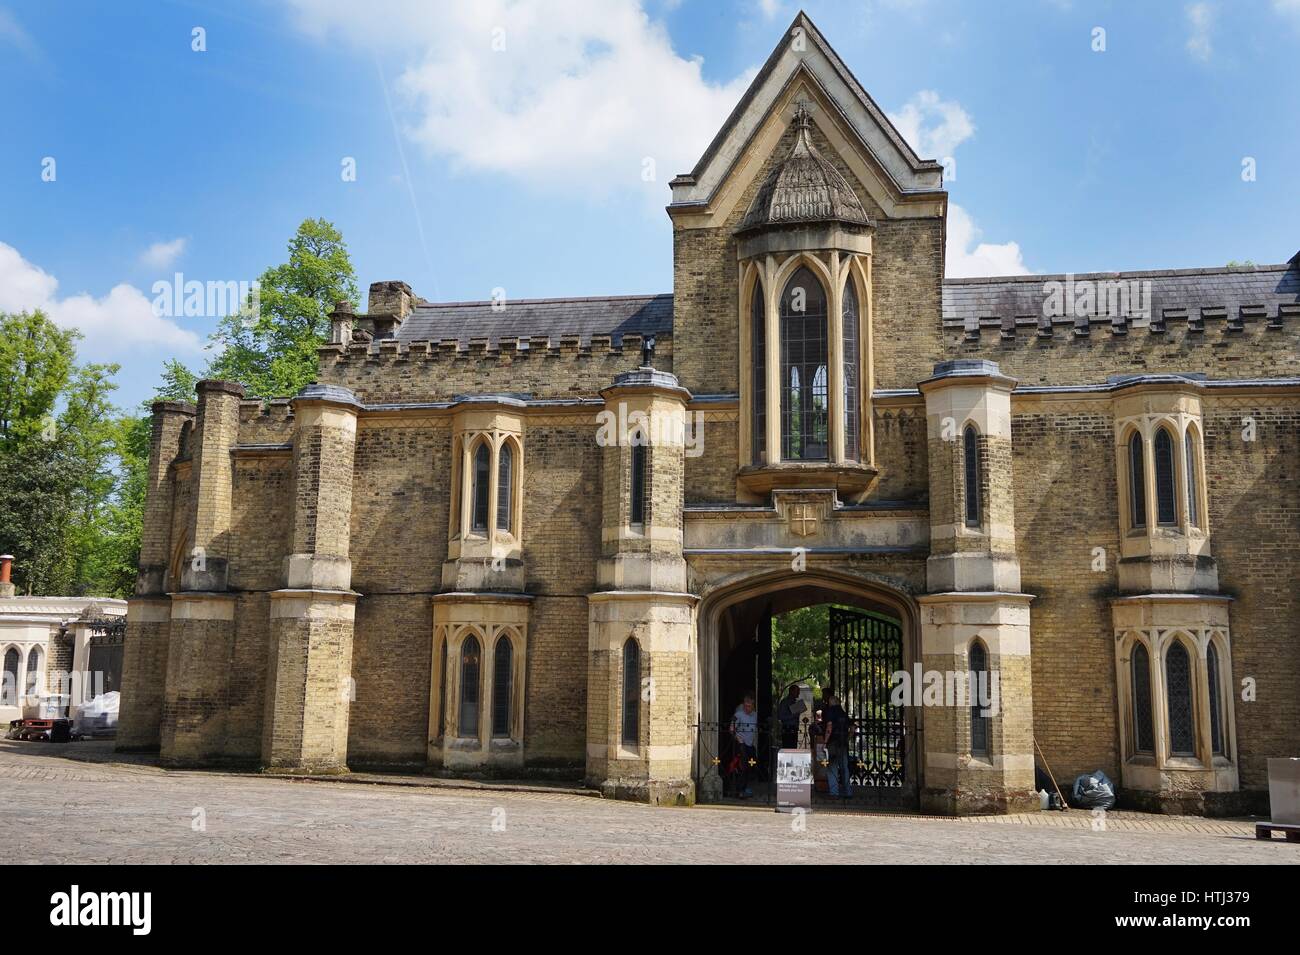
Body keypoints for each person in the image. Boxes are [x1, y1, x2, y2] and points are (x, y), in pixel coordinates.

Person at [821, 692, 852, 798]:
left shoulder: (831, 711)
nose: (828, 704)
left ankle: (834, 793)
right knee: (844, 768)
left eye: (829, 702)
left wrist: (825, 742)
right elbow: (852, 727)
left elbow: (829, 728)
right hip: (843, 743)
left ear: (831, 702)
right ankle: (848, 792)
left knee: (832, 768)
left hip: (833, 743)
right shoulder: (843, 713)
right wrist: (847, 738)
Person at [730, 693, 759, 798]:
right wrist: (738, 739)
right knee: (742, 768)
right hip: (741, 745)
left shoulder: (755, 715)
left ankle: (746, 787)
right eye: (746, 705)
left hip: (750, 744)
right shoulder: (738, 715)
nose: (747, 708)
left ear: (753, 705)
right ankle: (739, 790)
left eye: (749, 706)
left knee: (750, 767)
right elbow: (731, 728)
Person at [777, 683, 807, 749]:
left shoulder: (794, 702)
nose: (798, 693)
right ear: (792, 691)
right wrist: (794, 715)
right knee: (788, 750)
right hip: (787, 730)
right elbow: (780, 716)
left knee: (793, 750)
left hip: (794, 730)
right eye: (797, 691)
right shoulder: (785, 702)